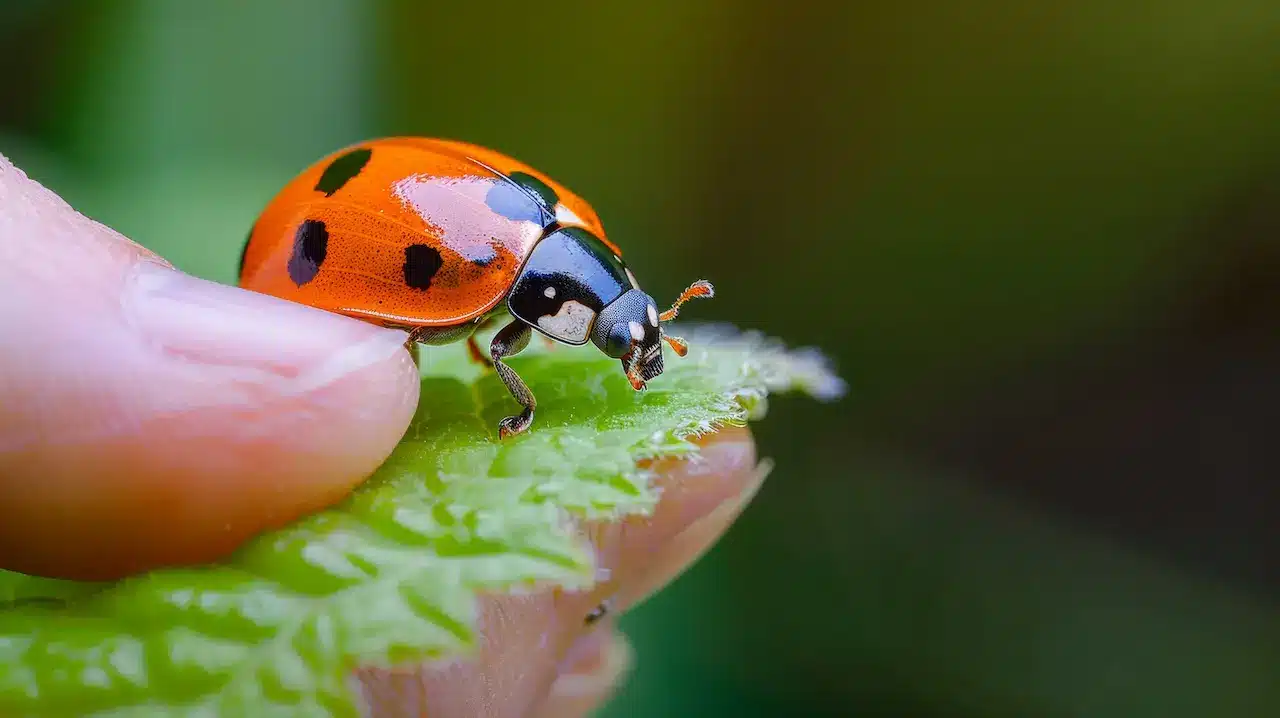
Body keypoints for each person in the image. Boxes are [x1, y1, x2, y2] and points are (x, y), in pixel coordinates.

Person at [0, 154, 765, 717]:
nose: (632, 340)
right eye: (624, 328)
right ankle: (520, 410)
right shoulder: (507, 261)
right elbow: (504, 333)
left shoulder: (565, 239)